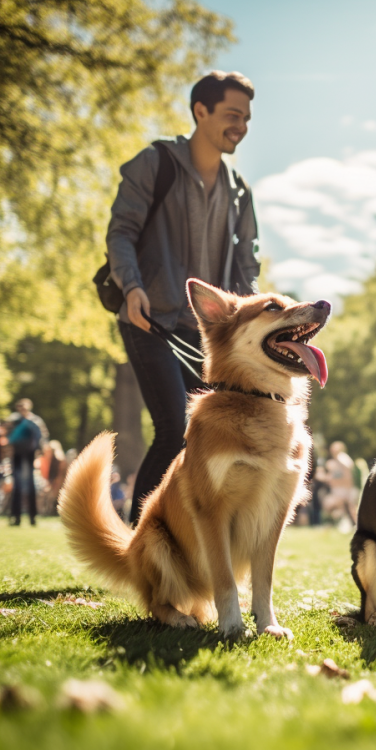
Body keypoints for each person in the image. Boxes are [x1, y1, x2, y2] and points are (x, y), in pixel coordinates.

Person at [105, 71, 260, 525]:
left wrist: (248, 324)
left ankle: (184, 543)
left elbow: (248, 270)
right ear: (200, 111)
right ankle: (137, 545)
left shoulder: (239, 192)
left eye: (247, 118)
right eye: (233, 115)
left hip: (205, 334)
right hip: (148, 318)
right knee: (174, 428)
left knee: (204, 435)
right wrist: (131, 287)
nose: (242, 126)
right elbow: (122, 233)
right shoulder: (156, 164)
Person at [8, 401, 47, 526]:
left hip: (30, 456)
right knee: (17, 486)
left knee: (31, 486)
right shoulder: (14, 420)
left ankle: (32, 517)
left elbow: (42, 437)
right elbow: (8, 437)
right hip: (17, 456)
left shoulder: (35, 420)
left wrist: (39, 453)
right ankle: (15, 517)